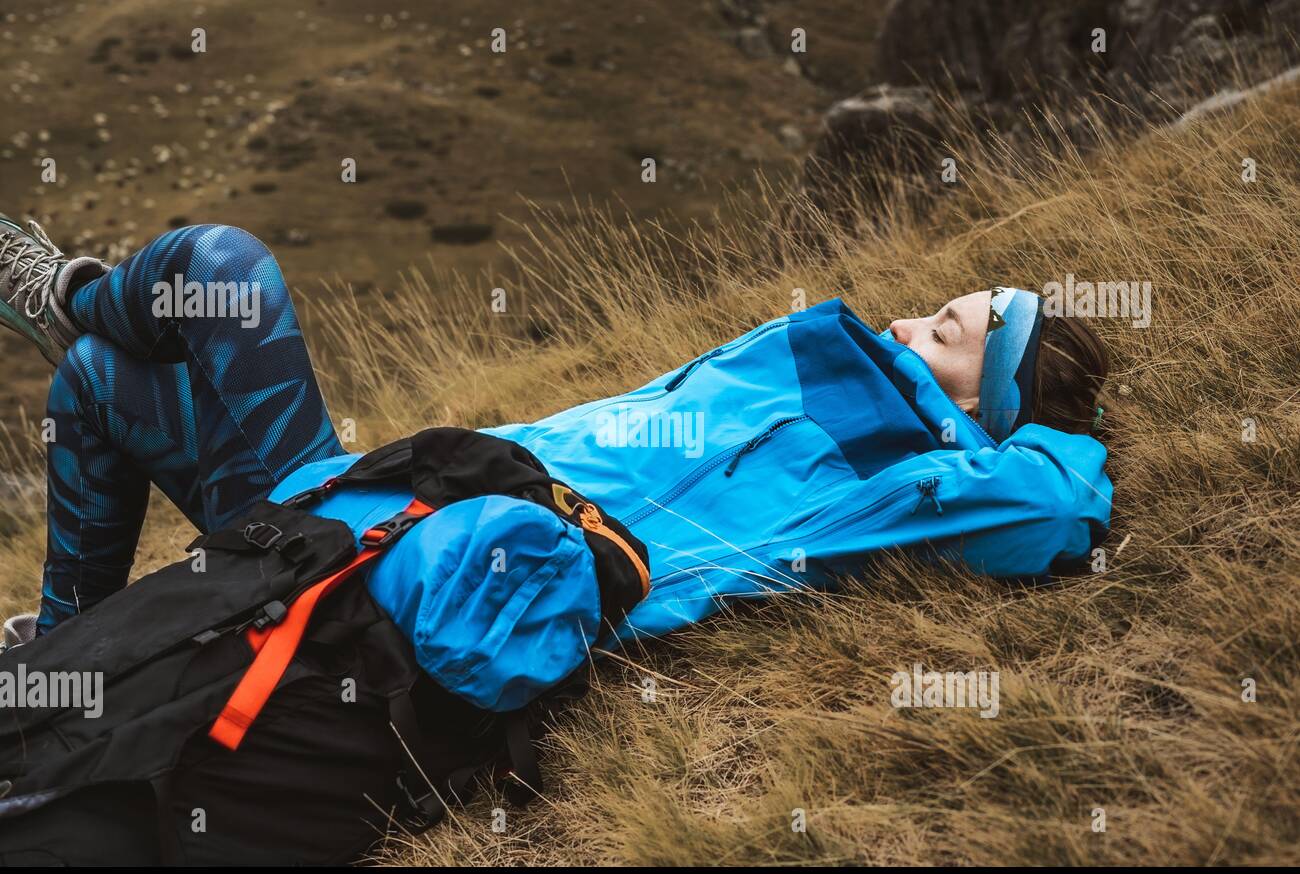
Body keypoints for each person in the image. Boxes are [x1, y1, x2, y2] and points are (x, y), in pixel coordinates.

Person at [0, 219, 1112, 710]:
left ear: (981, 408)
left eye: (948, 334)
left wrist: (1029, 431)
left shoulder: (899, 473)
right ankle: (61, 645)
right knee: (95, 382)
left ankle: (63, 290)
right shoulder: (822, 371)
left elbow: (1050, 509)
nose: (912, 319)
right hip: (394, 488)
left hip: (406, 557)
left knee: (220, 267)